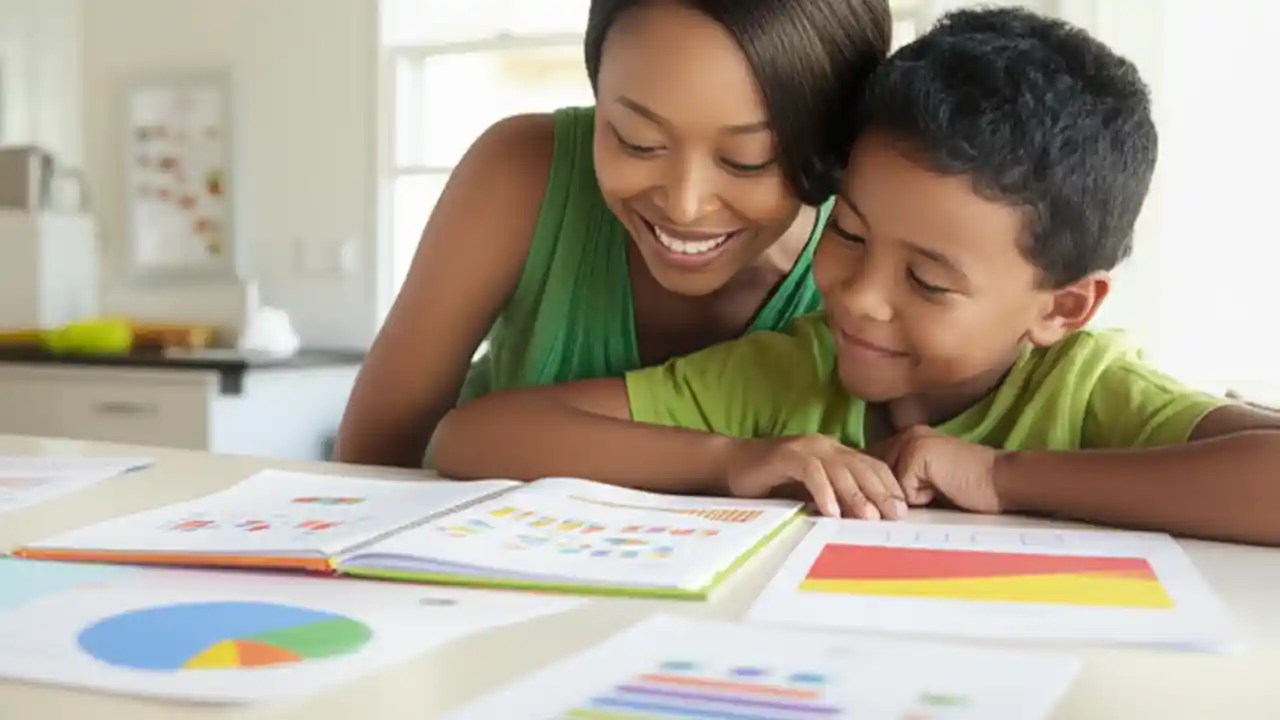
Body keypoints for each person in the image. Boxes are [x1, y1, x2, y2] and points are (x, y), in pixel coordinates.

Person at [432, 7, 1280, 547]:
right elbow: (470, 437)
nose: (860, 297)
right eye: (847, 233)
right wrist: (734, 459)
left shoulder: (1088, 391)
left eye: (929, 281)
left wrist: (1002, 476)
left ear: (1064, 305)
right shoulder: (789, 372)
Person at [335, 0, 891, 467]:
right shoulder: (519, 176)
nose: (684, 205)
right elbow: (369, 463)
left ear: (832, 149)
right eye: (637, 141)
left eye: (747, 160)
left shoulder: (877, 250)